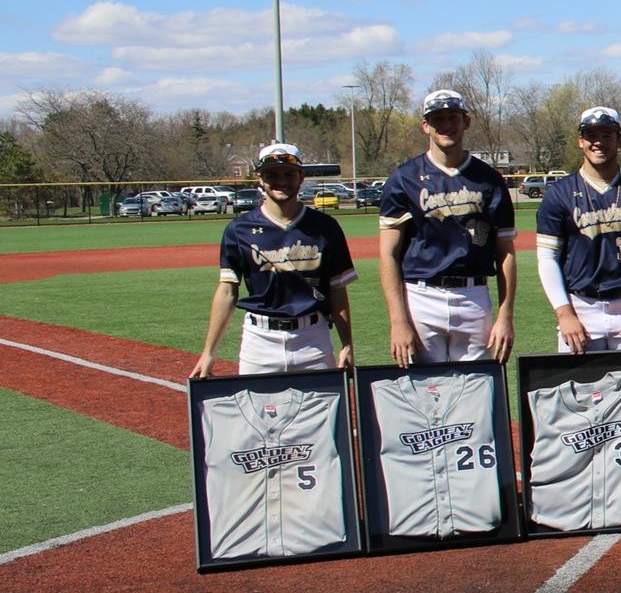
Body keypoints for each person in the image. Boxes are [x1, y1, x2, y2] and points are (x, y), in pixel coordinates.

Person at [377, 89, 518, 366]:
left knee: (477, 389)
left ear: (466, 122)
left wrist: (505, 316)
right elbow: (388, 254)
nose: (446, 125)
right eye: (437, 119)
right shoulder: (404, 178)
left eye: (453, 117)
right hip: (421, 296)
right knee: (425, 393)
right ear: (425, 126)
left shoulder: (488, 179)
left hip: (474, 296)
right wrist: (398, 321)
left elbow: (505, 252)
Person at [191, 142, 356, 377]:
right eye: (272, 175)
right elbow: (227, 291)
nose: (281, 181)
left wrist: (347, 344)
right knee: (257, 411)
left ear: (301, 176)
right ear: (260, 179)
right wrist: (209, 353)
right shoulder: (239, 229)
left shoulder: (325, 227)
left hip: (312, 338)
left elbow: (337, 290)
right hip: (260, 340)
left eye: (289, 174)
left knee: (324, 410)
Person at [533, 106, 621, 353]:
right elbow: (547, 257)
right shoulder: (559, 193)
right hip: (580, 308)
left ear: (620, 140)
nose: (599, 143)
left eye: (607, 135)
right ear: (581, 141)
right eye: (591, 135)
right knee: (578, 388)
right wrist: (564, 313)